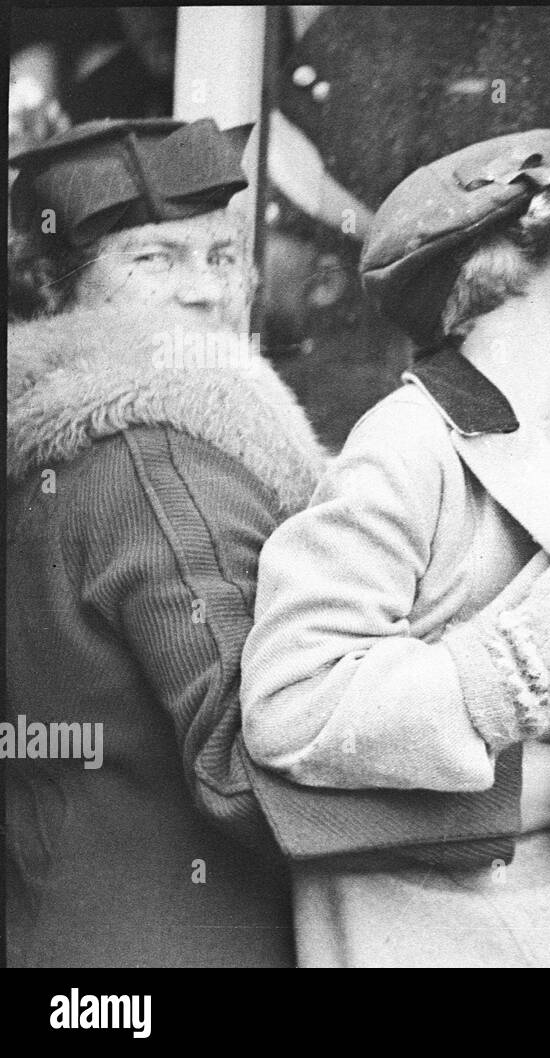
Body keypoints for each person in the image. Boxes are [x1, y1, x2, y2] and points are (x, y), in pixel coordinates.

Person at [239, 129, 550, 968]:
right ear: (507, 263)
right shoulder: (408, 444)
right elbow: (293, 703)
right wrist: (527, 659)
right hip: (424, 908)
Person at [6, 117, 327, 966]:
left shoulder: (54, 446)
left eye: (221, 257)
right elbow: (254, 776)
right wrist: (524, 785)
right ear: (49, 293)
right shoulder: (159, 463)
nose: (205, 292)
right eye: (153, 259)